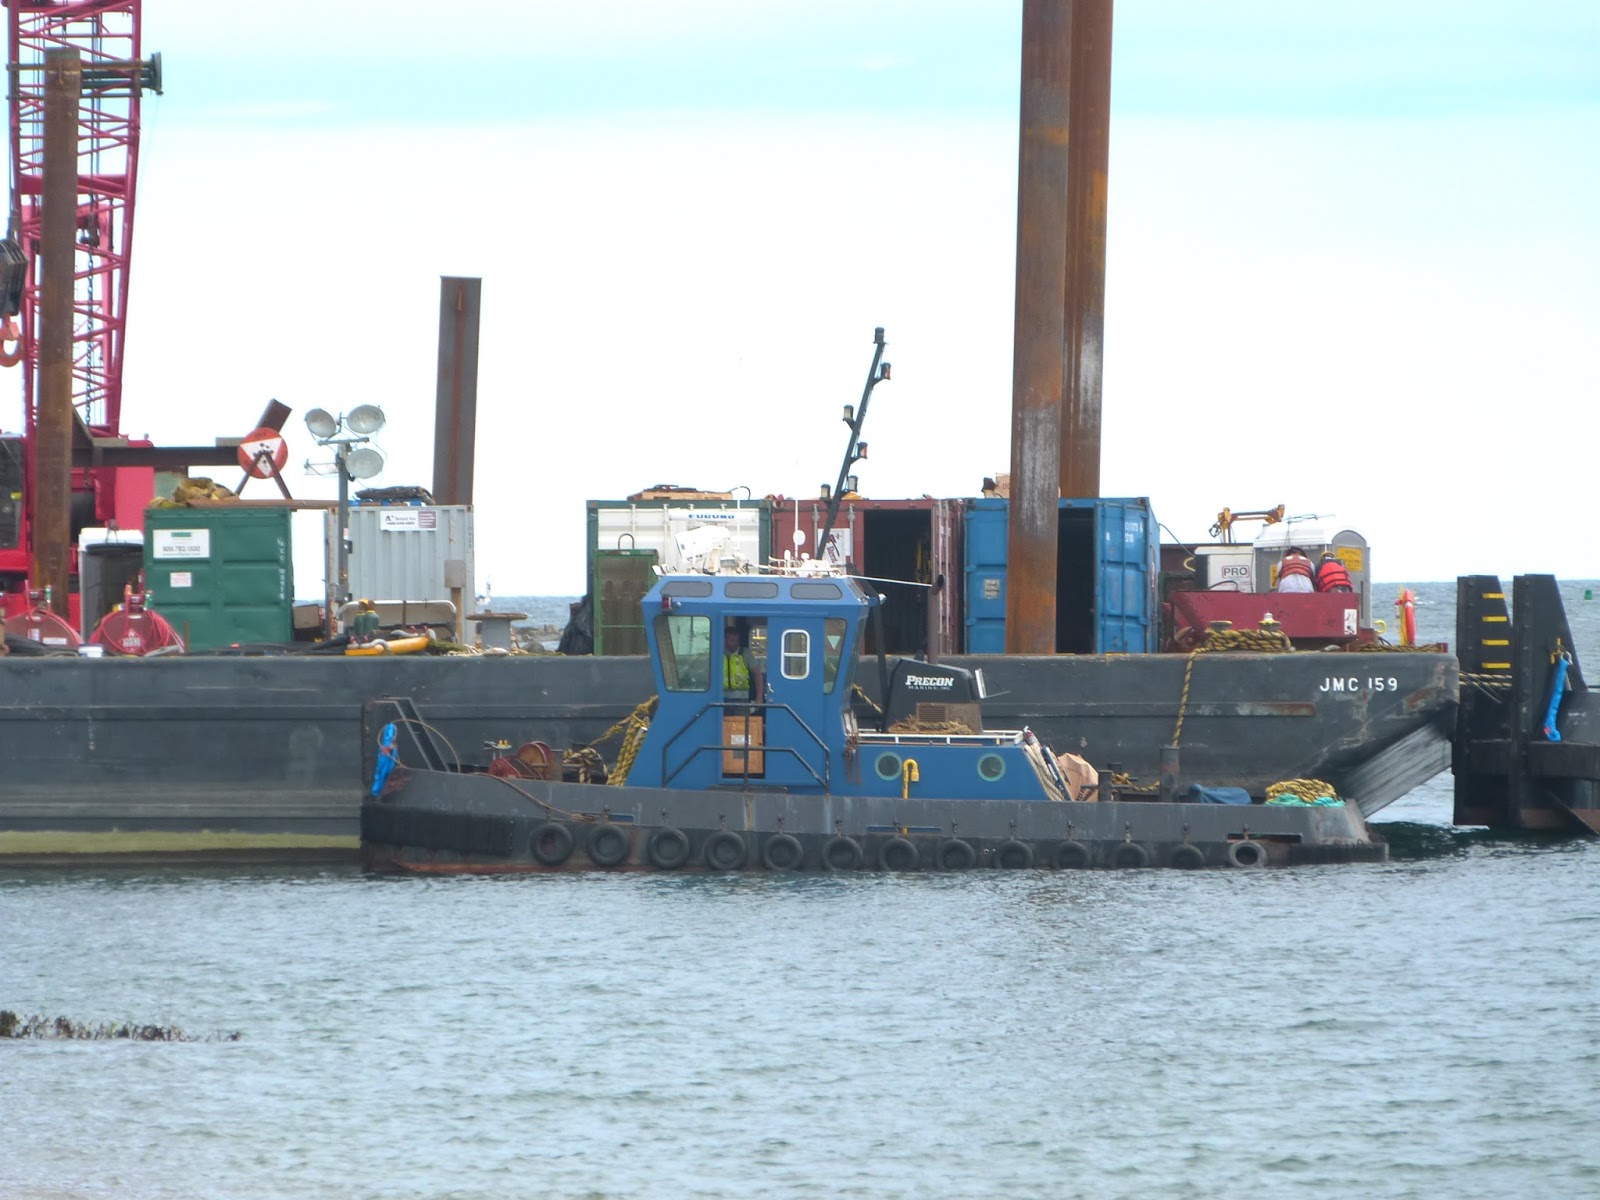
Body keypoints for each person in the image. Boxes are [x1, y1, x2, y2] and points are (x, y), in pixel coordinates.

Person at [722, 625, 753, 698]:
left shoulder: (745, 653)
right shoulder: (717, 654)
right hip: (721, 698)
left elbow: (757, 674)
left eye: (737, 641)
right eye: (732, 640)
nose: (736, 643)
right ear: (725, 640)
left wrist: (759, 698)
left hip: (742, 698)